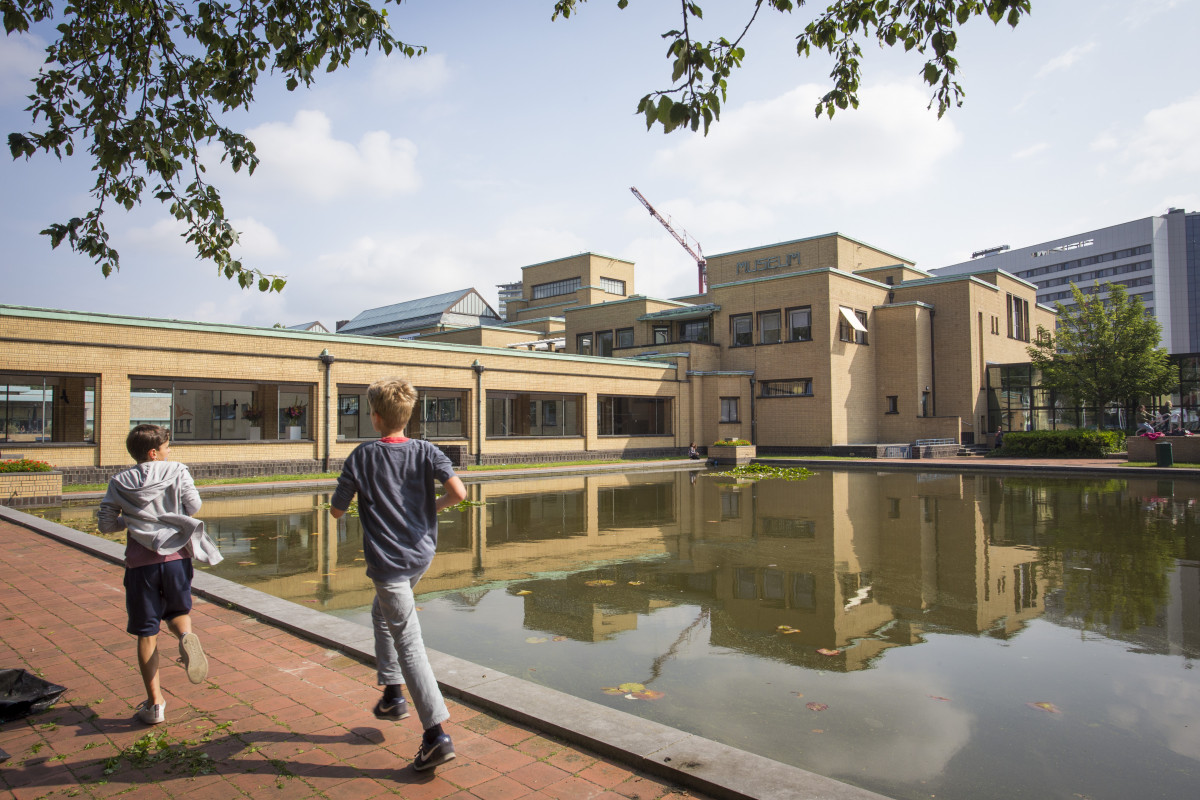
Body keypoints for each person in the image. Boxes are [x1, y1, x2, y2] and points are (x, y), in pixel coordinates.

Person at [330, 378, 467, 772]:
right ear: (408, 415)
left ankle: (435, 735)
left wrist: (346, 505)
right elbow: (459, 494)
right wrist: (427, 510)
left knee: (408, 642)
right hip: (421, 555)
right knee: (380, 613)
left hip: (388, 564)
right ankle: (392, 693)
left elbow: (338, 510)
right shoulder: (427, 451)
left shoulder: (361, 456)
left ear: (374, 417)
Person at [98, 424, 221, 725]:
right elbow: (193, 506)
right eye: (167, 447)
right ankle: (186, 637)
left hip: (141, 564)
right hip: (176, 557)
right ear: (154, 452)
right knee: (178, 610)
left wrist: (132, 522)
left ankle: (155, 705)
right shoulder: (177, 470)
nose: (170, 452)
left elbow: (105, 523)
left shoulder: (119, 481)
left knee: (146, 631)